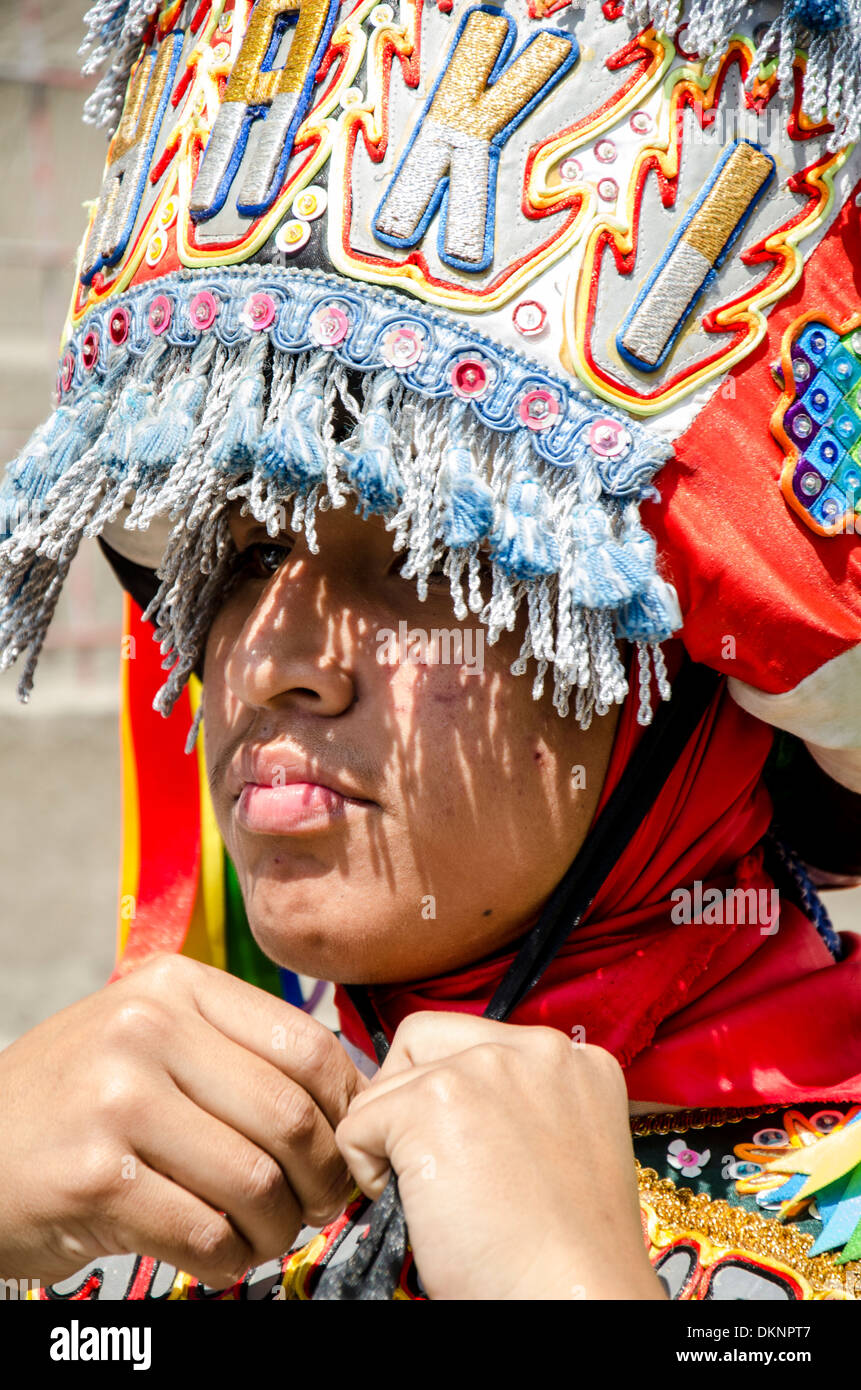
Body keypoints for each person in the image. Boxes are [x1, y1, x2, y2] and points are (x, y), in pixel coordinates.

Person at [0, 0, 860, 1301]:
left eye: (427, 553)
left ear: (681, 662)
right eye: (240, 559)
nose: (270, 659)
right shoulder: (112, 1214)